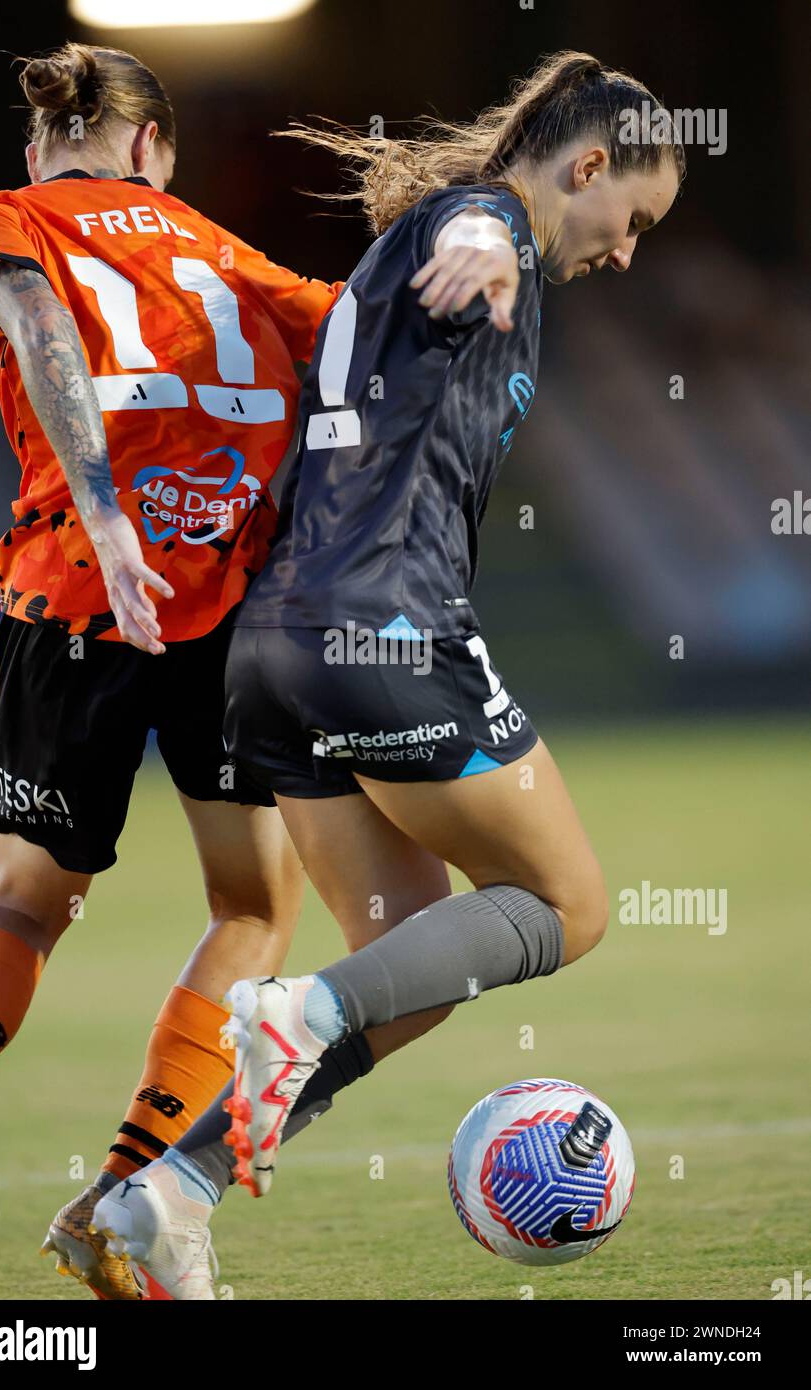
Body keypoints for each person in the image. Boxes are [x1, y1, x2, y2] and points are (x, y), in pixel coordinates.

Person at [91, 50, 684, 1295]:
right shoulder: (483, 226)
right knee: (564, 908)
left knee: (411, 965)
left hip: (276, 653)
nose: (626, 251)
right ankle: (288, 1012)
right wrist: (488, 242)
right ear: (584, 168)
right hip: (387, 634)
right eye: (629, 220)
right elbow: (479, 230)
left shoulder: (420, 238)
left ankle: (168, 1193)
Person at [0, 40, 362, 1301]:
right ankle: (132, 1191)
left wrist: (110, 517)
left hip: (78, 588)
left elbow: (34, 322)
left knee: (24, 904)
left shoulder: (0, 215)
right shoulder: (227, 254)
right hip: (225, 619)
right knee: (252, 907)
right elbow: (364, 340)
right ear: (150, 145)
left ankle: (105, 1184)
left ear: (45, 146)